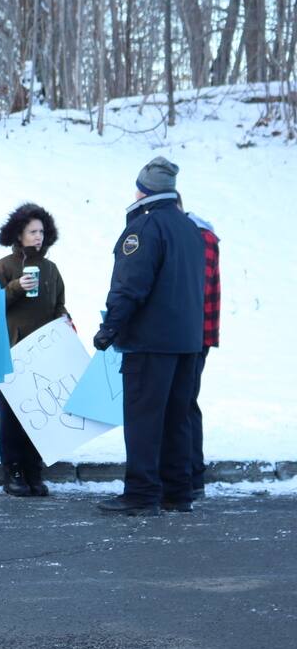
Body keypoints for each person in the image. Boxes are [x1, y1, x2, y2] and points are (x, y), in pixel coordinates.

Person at [93, 157, 204, 515]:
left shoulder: (145, 227)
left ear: (144, 189)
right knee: (177, 418)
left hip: (150, 342)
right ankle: (178, 492)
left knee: (144, 418)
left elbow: (131, 284)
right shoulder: (190, 229)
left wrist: (110, 327)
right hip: (187, 341)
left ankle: (141, 493)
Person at [0, 203, 68, 497]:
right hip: (11, 352)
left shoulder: (51, 269)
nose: (38, 236)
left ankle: (34, 469)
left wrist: (64, 316)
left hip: (44, 354)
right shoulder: (4, 266)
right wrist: (15, 287)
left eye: (41, 232)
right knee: (11, 415)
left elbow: (58, 303)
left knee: (39, 413)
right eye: (32, 231)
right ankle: (14, 471)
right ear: (18, 234)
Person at [185, 208, 220, 500]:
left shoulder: (198, 238)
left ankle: (191, 476)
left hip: (190, 334)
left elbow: (190, 289)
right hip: (196, 333)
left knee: (183, 406)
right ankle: (192, 477)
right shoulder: (201, 236)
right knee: (186, 404)